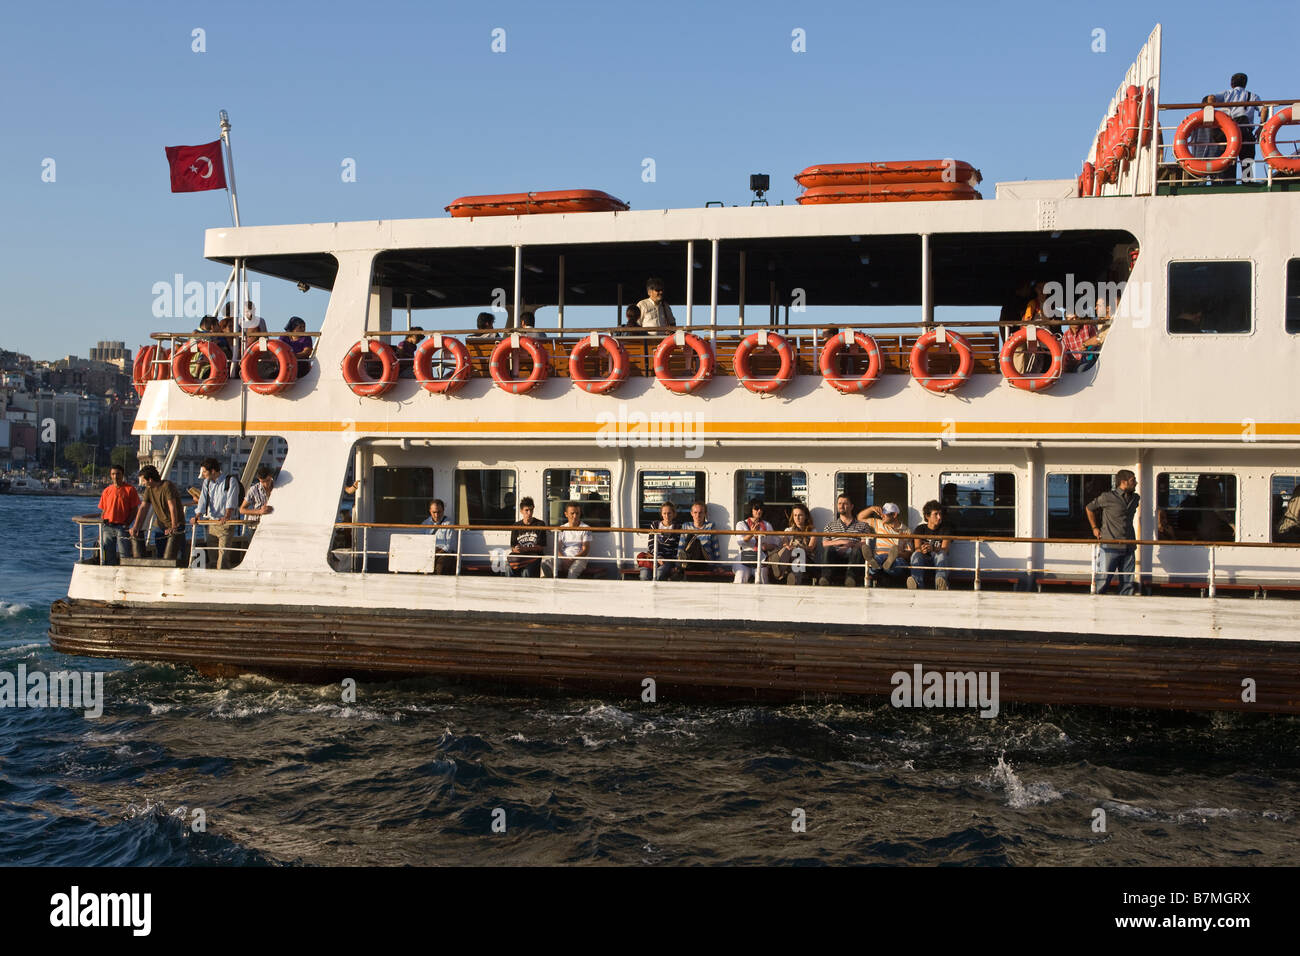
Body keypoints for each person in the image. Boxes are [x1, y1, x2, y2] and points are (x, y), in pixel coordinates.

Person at [1086, 469, 1140, 595]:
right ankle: (1097, 605)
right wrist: (1094, 527)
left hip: (1129, 546)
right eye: (1133, 480)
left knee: (1128, 583)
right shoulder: (1107, 497)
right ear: (1123, 482)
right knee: (1103, 579)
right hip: (1110, 545)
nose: (1136, 483)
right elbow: (1089, 508)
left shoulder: (1135, 498)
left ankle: (1125, 608)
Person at [191, 457, 242, 569]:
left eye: (204, 471)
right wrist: (196, 516)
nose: (203, 474)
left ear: (213, 471)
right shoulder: (207, 482)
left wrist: (226, 516)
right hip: (211, 522)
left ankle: (223, 581)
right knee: (213, 557)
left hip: (225, 524)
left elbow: (231, 500)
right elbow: (203, 500)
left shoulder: (230, 481)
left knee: (223, 557)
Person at [131, 464, 186, 563]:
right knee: (160, 554)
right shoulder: (149, 489)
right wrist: (136, 527)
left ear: (150, 480)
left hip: (176, 524)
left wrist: (173, 527)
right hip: (160, 526)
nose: (143, 483)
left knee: (176, 554)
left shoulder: (167, 486)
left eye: (143, 480)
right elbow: (143, 508)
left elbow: (172, 506)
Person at [820, 494, 873, 587]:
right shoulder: (830, 526)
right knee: (828, 549)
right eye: (840, 503)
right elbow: (825, 543)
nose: (841, 506)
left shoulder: (863, 525)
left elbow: (865, 543)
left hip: (853, 556)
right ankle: (825, 578)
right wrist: (842, 542)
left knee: (857, 550)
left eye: (845, 503)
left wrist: (850, 545)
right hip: (835, 555)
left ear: (851, 506)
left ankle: (850, 578)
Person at [1216, 73, 1259, 182]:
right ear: (1245, 84)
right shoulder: (1252, 96)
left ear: (1231, 83)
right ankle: (1248, 182)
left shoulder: (1226, 94)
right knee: (1247, 158)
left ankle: (1229, 182)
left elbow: (1210, 98)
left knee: (1229, 157)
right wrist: (1261, 126)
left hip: (1229, 132)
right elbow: (1264, 109)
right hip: (1246, 131)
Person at [96, 465, 141, 566]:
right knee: (108, 554)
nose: (115, 476)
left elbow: (135, 509)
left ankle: (125, 573)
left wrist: (127, 523)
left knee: (124, 553)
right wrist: (100, 529)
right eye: (113, 474)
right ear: (110, 476)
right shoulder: (106, 491)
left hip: (122, 526)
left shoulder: (130, 489)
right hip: (107, 526)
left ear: (122, 475)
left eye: (118, 474)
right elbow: (103, 510)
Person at [859, 502, 912, 585]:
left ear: (894, 515)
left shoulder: (906, 531)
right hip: (881, 556)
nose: (881, 516)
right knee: (879, 559)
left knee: (895, 562)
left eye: (884, 514)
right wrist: (871, 508)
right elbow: (860, 518)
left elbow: (909, 554)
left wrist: (898, 554)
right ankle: (875, 564)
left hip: (897, 558)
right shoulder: (879, 523)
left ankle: (876, 567)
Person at [908, 500, 953, 590]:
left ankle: (941, 583)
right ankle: (916, 583)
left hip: (938, 561)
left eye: (940, 514)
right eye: (936, 514)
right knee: (916, 555)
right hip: (924, 561)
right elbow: (917, 549)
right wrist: (922, 549)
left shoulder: (945, 529)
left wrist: (932, 548)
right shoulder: (920, 529)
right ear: (927, 516)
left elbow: (945, 549)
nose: (939, 517)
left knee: (941, 555)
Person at [772, 503, 819, 585]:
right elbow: (785, 543)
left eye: (800, 515)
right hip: (789, 557)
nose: (797, 518)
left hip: (807, 559)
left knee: (798, 551)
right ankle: (793, 577)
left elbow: (810, 548)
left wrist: (797, 547)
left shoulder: (812, 530)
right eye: (795, 515)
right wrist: (789, 546)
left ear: (806, 516)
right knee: (788, 549)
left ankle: (781, 570)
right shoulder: (788, 530)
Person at [733, 498, 776, 584]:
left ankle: (761, 597)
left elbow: (774, 544)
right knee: (740, 576)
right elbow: (740, 541)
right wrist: (752, 533)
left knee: (761, 577)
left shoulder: (767, 525)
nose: (759, 510)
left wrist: (766, 546)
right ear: (751, 510)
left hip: (761, 556)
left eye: (761, 508)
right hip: (745, 556)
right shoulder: (741, 524)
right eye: (756, 508)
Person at [543, 503, 591, 578]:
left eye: (577, 513)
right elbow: (557, 548)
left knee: (572, 573)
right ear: (566, 514)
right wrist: (564, 560)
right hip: (563, 557)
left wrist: (572, 560)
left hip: (579, 559)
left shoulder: (586, 528)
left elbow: (585, 550)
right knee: (546, 562)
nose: (575, 516)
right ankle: (547, 584)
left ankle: (570, 589)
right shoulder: (562, 528)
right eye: (572, 513)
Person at [508, 497, 548, 577]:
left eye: (531, 510)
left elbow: (540, 547)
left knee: (526, 572)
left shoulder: (540, 524)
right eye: (526, 510)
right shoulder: (516, 526)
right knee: (507, 568)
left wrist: (524, 549)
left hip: (534, 557)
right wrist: (516, 549)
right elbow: (513, 546)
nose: (529, 513)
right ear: (521, 511)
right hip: (520, 557)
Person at [640, 502, 681, 581]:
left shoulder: (678, 527)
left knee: (659, 574)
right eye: (664, 513)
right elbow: (651, 544)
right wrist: (658, 556)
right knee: (644, 575)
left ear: (673, 514)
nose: (667, 516)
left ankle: (657, 593)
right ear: (661, 514)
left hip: (667, 559)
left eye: (669, 513)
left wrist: (676, 564)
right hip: (652, 557)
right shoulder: (655, 525)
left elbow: (676, 547)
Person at [678, 500, 720, 573]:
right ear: (691, 513)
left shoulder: (710, 526)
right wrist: (677, 565)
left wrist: (718, 566)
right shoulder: (686, 526)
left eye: (701, 512)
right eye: (695, 512)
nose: (698, 515)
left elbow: (715, 548)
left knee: (697, 544)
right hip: (690, 562)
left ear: (705, 514)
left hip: (706, 562)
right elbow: (681, 547)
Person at [420, 498, 456, 574]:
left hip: (444, 553)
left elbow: (449, 546)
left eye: (439, 512)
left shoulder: (449, 523)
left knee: (440, 566)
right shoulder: (425, 523)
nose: (436, 515)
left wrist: (436, 555)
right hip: (429, 552)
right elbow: (421, 541)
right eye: (434, 512)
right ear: (430, 511)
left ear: (443, 511)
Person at [239, 465, 276, 530]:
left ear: (270, 476)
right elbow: (242, 509)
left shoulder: (278, 485)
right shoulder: (254, 489)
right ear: (259, 479)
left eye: (267, 480)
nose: (266, 484)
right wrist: (259, 511)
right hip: (255, 526)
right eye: (262, 482)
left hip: (272, 525)